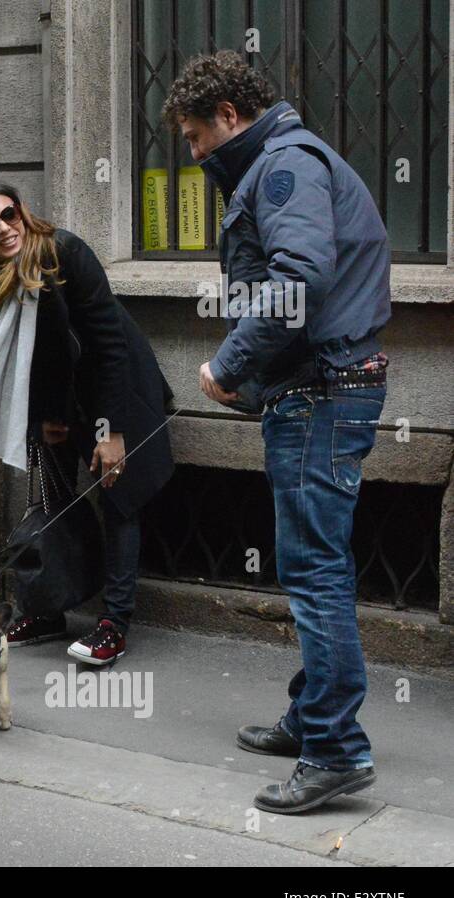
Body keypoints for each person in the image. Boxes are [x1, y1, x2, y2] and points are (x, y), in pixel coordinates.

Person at [165, 51, 391, 813]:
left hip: (321, 394)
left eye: (197, 137)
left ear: (230, 114)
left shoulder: (285, 166)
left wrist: (227, 364)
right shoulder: (286, 162)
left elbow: (298, 279)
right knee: (312, 565)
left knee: (314, 573)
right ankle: (311, 718)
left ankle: (335, 750)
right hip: (321, 388)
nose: (194, 155)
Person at [0, 182, 175, 664]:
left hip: (114, 388)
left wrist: (112, 431)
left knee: (119, 497)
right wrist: (44, 418)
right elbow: (13, 358)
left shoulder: (64, 253)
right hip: (58, 397)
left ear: (22, 212)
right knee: (54, 499)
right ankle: (51, 608)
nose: (3, 228)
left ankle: (114, 625)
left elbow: (107, 343)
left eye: (9, 214)